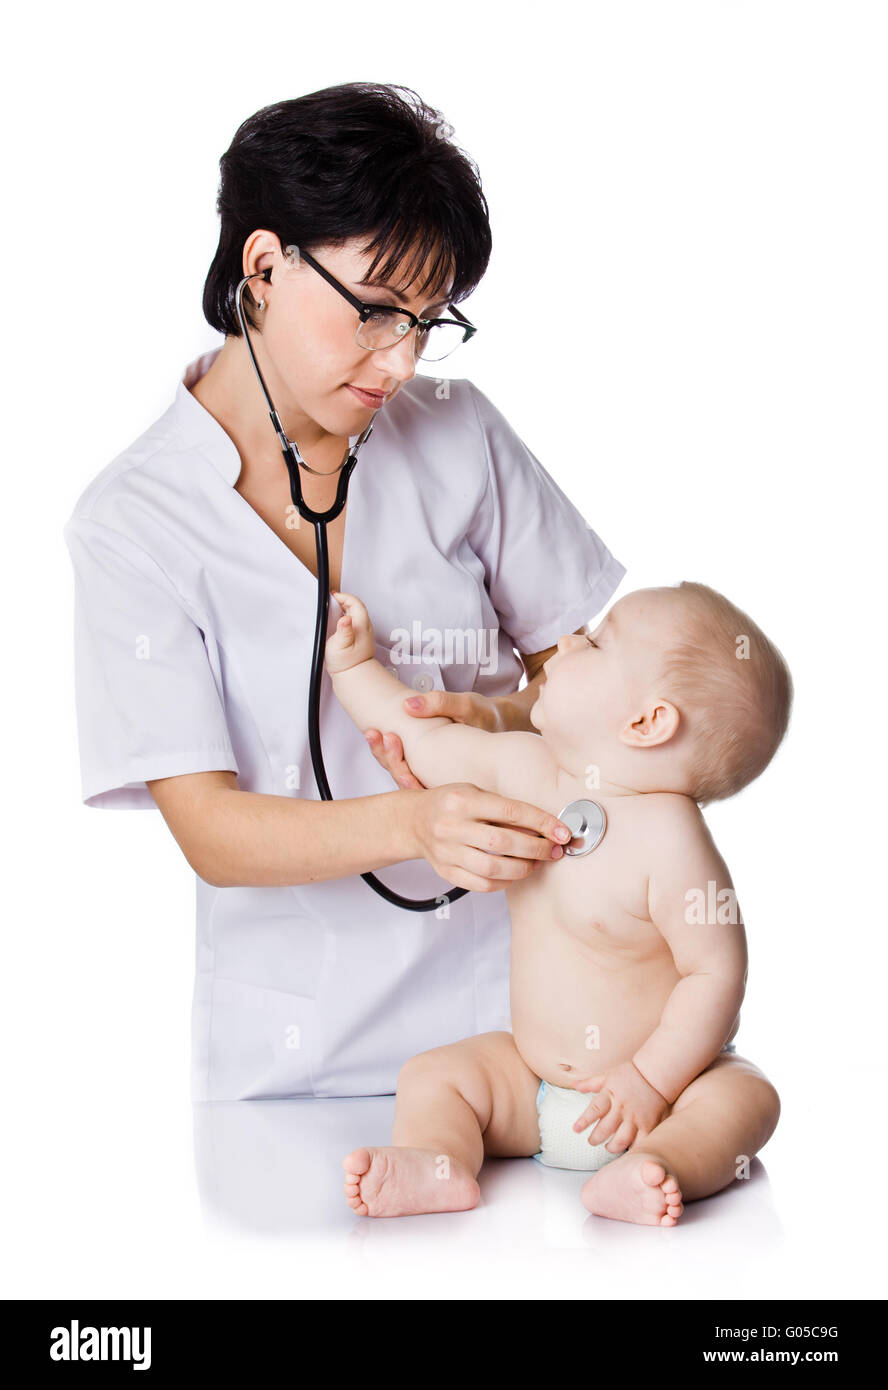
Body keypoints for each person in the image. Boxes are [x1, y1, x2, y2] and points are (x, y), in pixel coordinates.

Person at [62, 82, 625, 1104]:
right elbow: (212, 830)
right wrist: (416, 824)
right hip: (301, 1065)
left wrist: (508, 723)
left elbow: (585, 681)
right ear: (264, 266)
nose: (401, 361)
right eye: (374, 313)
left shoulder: (460, 431)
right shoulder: (133, 522)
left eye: (427, 321)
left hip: (535, 1022)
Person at [324, 581, 790, 1223]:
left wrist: (651, 1081)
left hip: (659, 1103)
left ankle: (658, 1167)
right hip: (533, 1086)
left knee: (746, 1097)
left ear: (646, 722)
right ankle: (439, 1162)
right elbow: (421, 740)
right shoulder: (525, 769)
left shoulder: (671, 839)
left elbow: (716, 973)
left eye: (595, 641)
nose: (567, 641)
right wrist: (353, 667)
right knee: (435, 1075)